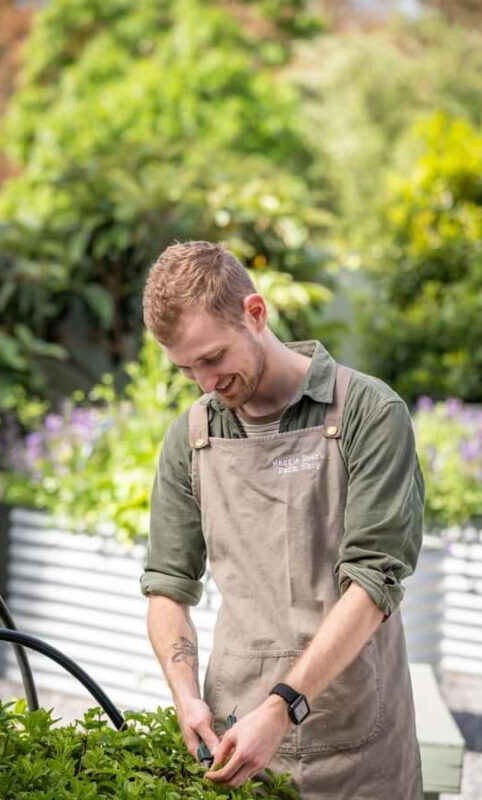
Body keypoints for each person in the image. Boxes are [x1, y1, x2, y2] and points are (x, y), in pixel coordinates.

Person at [140, 240, 424, 799]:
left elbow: (371, 585)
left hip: (358, 748)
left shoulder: (369, 413)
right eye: (186, 367)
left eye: (214, 357)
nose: (204, 382)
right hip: (236, 740)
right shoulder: (192, 437)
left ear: (256, 313)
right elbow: (167, 588)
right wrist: (185, 696)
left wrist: (281, 709)